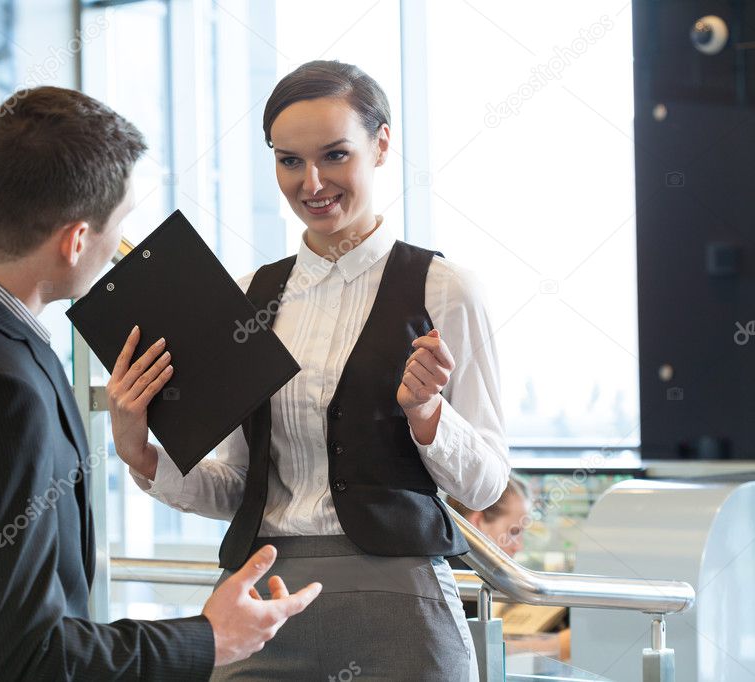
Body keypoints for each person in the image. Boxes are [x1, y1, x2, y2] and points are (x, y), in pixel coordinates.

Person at [0, 86, 320, 682]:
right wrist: (208, 639)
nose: (120, 249)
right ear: (76, 239)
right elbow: (19, 660)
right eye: (121, 223)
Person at [108, 61, 510, 681]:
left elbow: (485, 486)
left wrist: (429, 416)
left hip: (398, 604)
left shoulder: (445, 288)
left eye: (335, 155)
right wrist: (142, 456)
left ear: (381, 145)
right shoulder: (245, 299)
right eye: (289, 160)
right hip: (260, 601)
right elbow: (241, 487)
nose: (312, 182)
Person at [448, 477, 572, 660]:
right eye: (514, 532)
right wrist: (559, 645)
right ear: (478, 521)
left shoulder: (457, 565)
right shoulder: (463, 579)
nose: (518, 546)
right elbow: (470, 652)